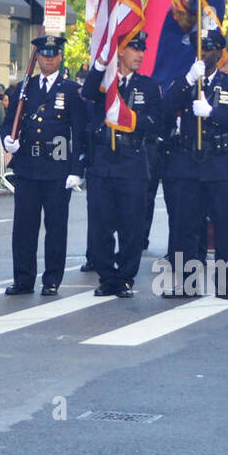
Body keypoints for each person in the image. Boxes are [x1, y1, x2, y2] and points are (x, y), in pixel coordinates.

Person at [159, 24, 228, 298]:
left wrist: (213, 113)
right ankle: (186, 282)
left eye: (209, 49)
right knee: (185, 226)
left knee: (225, 225)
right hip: (188, 161)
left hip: (221, 161)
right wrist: (188, 81)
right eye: (199, 48)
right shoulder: (185, 81)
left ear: (219, 53)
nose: (203, 53)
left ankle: (225, 283)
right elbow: (165, 109)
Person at [1, 35, 85, 297]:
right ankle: (23, 279)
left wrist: (76, 170)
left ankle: (51, 280)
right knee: (24, 228)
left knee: (55, 228)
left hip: (57, 169)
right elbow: (9, 122)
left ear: (60, 57)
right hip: (27, 166)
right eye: (44, 54)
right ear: (37, 57)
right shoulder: (24, 88)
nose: (48, 59)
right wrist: (7, 140)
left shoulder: (70, 90)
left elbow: (79, 132)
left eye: (53, 54)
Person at [79, 30, 159, 297]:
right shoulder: (104, 83)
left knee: (131, 225)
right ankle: (107, 277)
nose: (140, 55)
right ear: (120, 51)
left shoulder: (148, 86)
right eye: (134, 49)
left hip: (132, 160)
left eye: (142, 50)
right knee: (100, 225)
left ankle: (125, 277)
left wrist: (129, 119)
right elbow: (88, 92)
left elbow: (155, 122)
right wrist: (102, 62)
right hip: (102, 161)